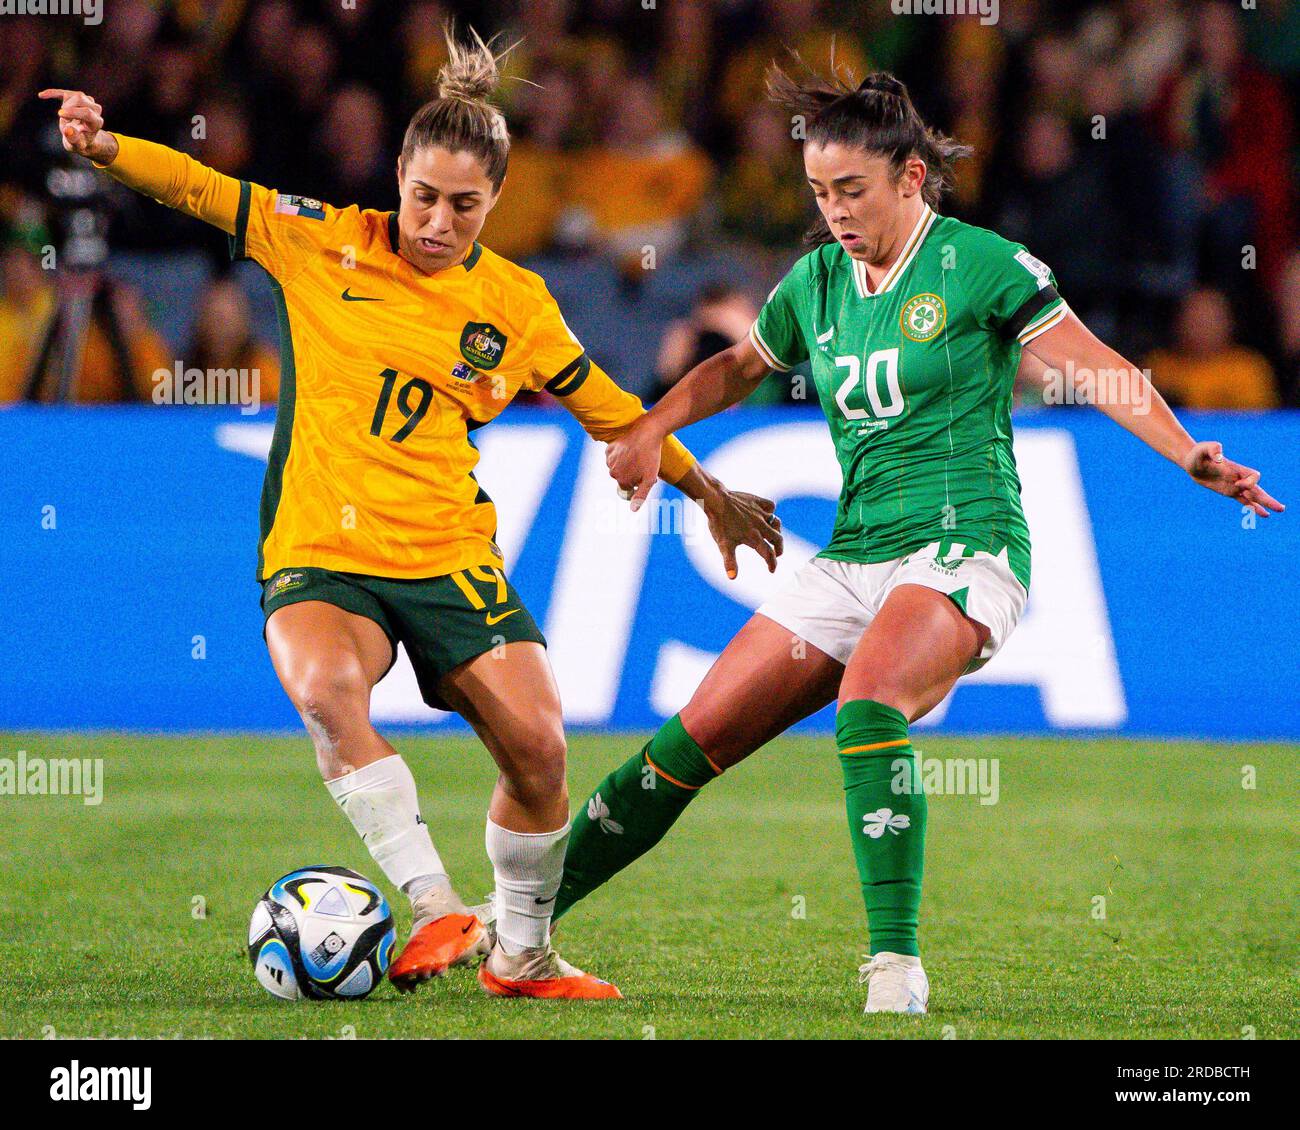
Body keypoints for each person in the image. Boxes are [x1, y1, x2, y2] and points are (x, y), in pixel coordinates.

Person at [41, 26, 782, 1001]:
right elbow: (200, 188)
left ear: (496, 202)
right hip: (321, 543)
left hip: (445, 552)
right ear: (397, 172)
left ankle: (521, 954)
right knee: (324, 688)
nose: (437, 221)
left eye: (464, 205)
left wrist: (706, 491)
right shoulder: (319, 236)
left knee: (540, 753)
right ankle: (434, 903)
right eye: (423, 195)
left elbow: (612, 410)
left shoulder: (514, 304)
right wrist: (106, 148)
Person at [548, 66, 1284, 1014]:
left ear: (911, 177)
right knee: (686, 744)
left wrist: (1187, 454)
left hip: (965, 546)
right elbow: (739, 365)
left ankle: (895, 968)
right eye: (820, 192)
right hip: (854, 552)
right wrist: (653, 426)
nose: (836, 211)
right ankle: (518, 925)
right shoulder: (817, 281)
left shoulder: (981, 263)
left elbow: (1096, 367)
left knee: (869, 696)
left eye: (852, 190)